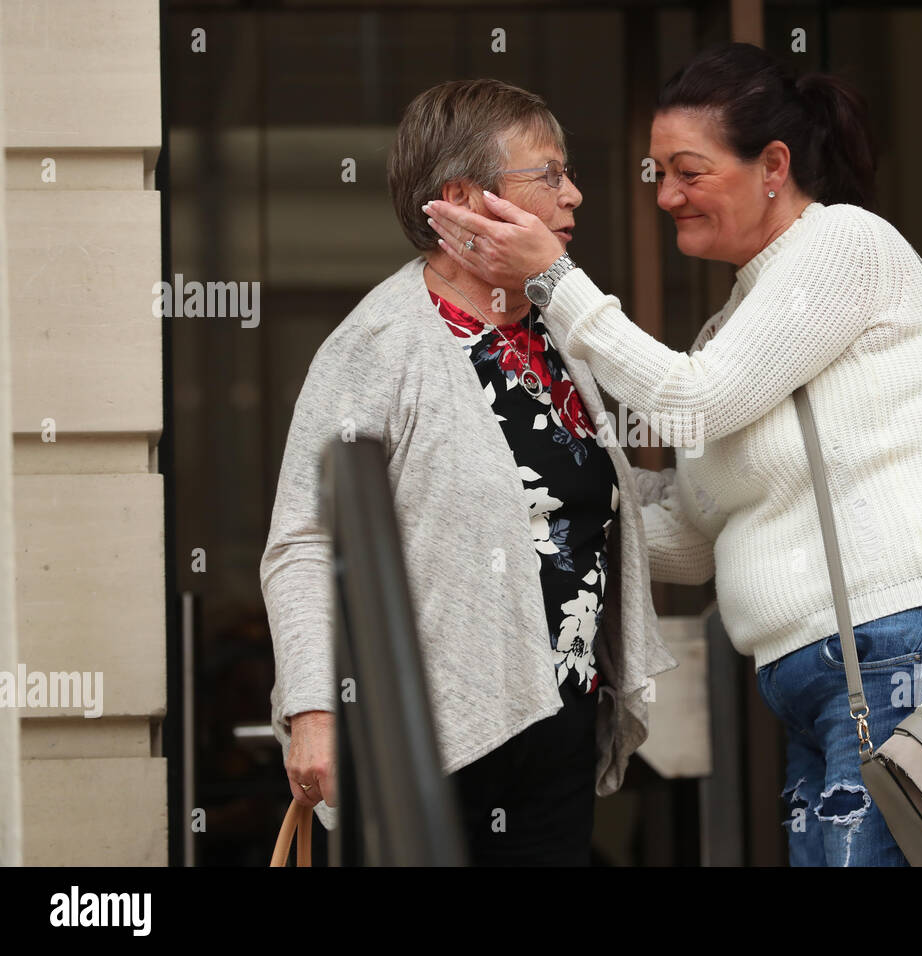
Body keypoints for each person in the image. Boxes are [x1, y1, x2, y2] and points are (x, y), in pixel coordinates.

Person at [424, 43, 922, 867]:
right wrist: (528, 496)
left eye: (688, 171)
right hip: (821, 674)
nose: (665, 195)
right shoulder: (736, 322)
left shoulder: (846, 246)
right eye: (657, 172)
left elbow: (690, 402)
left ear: (773, 165)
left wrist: (555, 282)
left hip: (904, 642)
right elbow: (695, 536)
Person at [260, 78, 676, 866]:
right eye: (548, 175)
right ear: (461, 200)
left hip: (559, 732)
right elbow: (305, 540)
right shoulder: (381, 342)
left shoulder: (561, 336)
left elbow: (596, 506)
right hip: (430, 738)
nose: (574, 196)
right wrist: (312, 709)